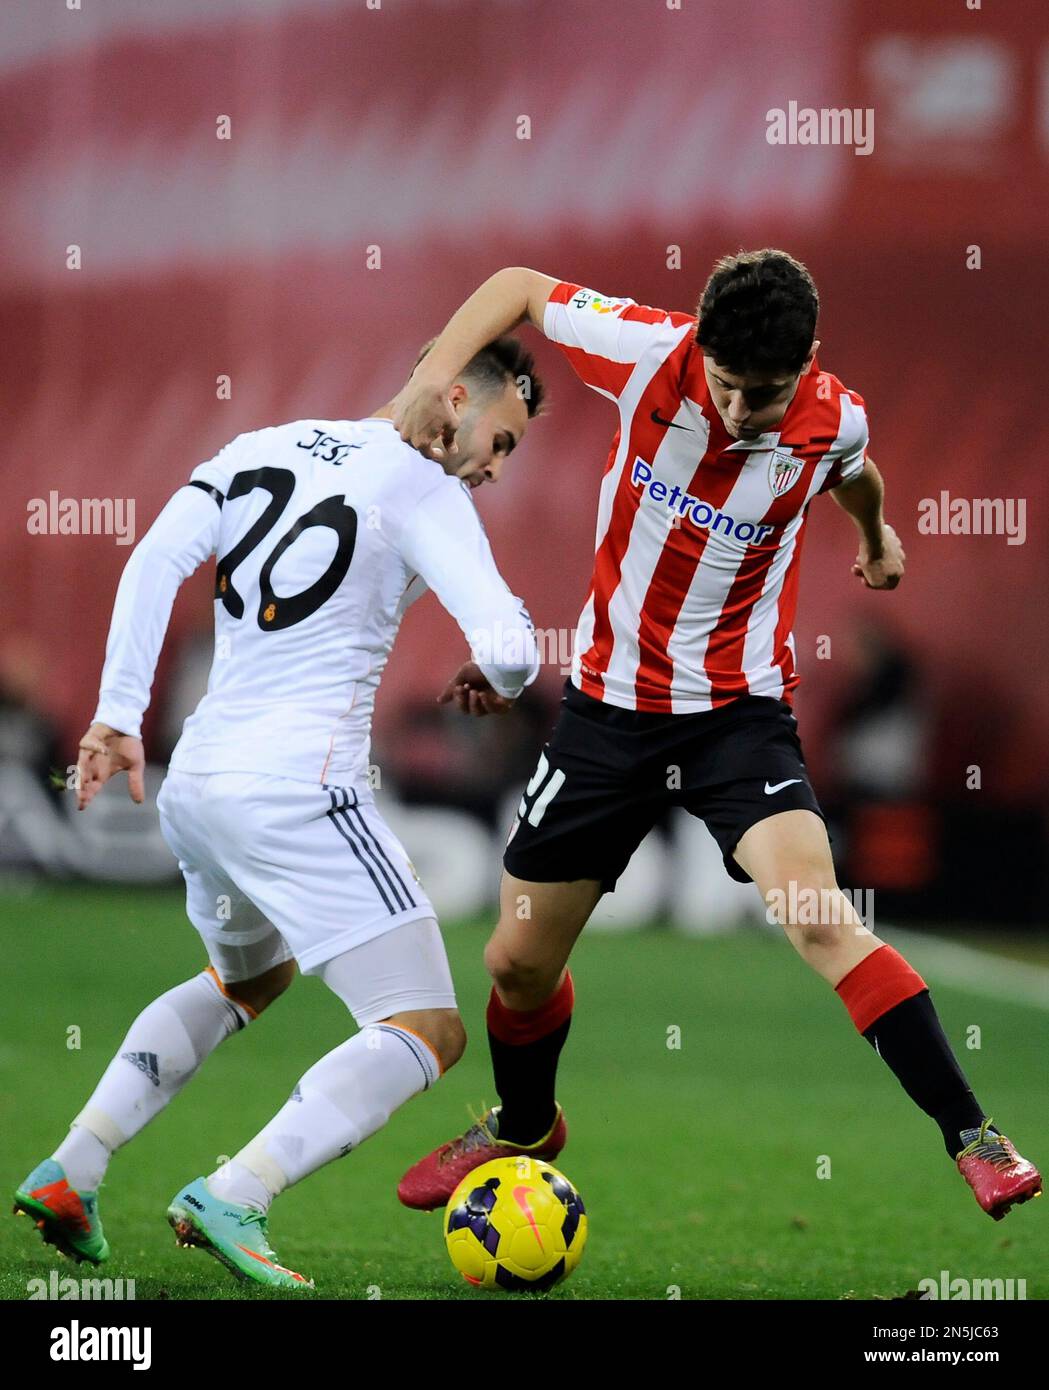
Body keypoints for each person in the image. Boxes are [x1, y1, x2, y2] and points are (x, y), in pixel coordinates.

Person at [391, 253, 1041, 1222]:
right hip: (608, 714)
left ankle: (970, 1133)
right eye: (729, 387)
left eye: (764, 393)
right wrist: (425, 381)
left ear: (806, 364)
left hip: (737, 720)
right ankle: (525, 1123)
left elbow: (853, 472)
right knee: (514, 965)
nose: (742, 411)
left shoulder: (832, 416)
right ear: (701, 346)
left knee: (819, 915)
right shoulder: (650, 353)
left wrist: (873, 537)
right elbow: (520, 285)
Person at [13, 337, 545, 1290]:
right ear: (455, 396)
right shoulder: (427, 490)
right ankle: (238, 1191)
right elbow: (509, 646)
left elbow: (151, 560)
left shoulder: (262, 444)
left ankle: (75, 1165)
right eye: (499, 438)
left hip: (200, 780)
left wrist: (115, 714)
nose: (495, 466)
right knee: (427, 1028)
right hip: (304, 787)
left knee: (246, 978)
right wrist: (497, 680)